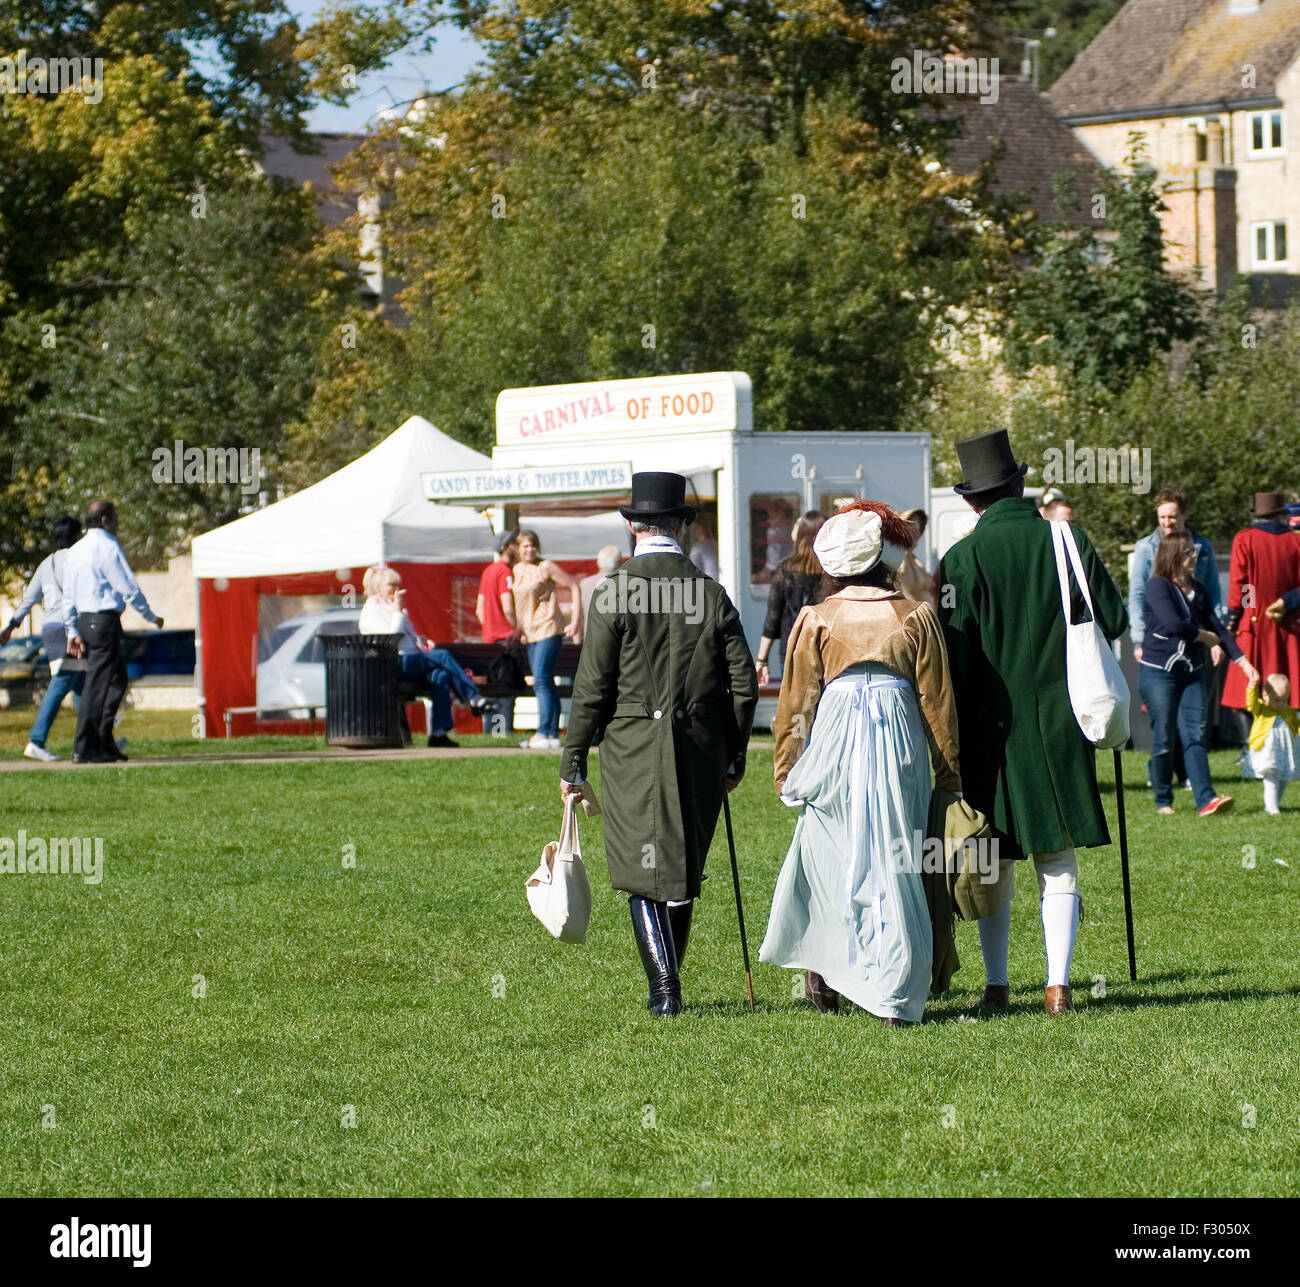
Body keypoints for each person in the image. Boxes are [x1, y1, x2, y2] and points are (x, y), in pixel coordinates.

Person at [938, 430, 1126, 1016]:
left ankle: (997, 987)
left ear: (972, 500)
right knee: (1058, 858)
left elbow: (951, 657)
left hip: (987, 729)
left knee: (992, 860)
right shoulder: (1069, 540)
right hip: (1062, 722)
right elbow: (1114, 620)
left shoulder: (960, 559)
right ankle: (1057, 987)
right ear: (1021, 485)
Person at [560, 472, 757, 1016]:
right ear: (683, 526)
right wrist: (733, 753)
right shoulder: (710, 593)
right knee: (683, 865)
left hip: (631, 749)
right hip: (700, 747)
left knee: (640, 870)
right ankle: (669, 983)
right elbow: (743, 684)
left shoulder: (614, 591)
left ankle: (665, 991)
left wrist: (572, 760)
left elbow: (592, 687)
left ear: (631, 526)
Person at [759, 502, 961, 1026]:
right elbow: (937, 704)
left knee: (832, 854)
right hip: (900, 741)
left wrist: (787, 768)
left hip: (835, 738)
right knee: (897, 856)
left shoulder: (816, 618)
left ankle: (827, 972)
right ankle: (893, 986)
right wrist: (949, 775)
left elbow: (796, 703)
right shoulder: (916, 615)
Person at [1139, 532, 1258, 817]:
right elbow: (1173, 624)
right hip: (1159, 673)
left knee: (1194, 733)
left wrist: (1244, 663)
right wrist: (1204, 637)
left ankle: (1206, 800)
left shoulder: (1199, 588)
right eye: (1190, 552)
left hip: (1192, 672)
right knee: (1165, 737)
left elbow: (1218, 628)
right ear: (1174, 554)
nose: (1195, 556)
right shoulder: (1157, 586)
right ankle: (1162, 798)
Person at [64, 500, 163, 764]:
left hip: (86, 621)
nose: (118, 523)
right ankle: (85, 746)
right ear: (105, 520)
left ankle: (104, 740)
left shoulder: (75, 550)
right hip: (103, 622)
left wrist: (72, 628)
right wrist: (151, 616)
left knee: (117, 680)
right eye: (115, 518)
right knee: (98, 686)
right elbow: (127, 587)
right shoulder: (106, 545)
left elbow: (68, 594)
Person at [359, 565, 490, 748]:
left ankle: (438, 734)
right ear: (379, 588)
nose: (397, 590)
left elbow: (408, 637)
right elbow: (391, 640)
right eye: (392, 585)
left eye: (398, 585)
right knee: (443, 656)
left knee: (441, 676)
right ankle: (472, 696)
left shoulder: (395, 608)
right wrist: (398, 612)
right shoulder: (371, 610)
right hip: (393, 663)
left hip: (410, 660)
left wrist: (422, 640)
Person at [1, 516, 84, 761]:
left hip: (50, 628)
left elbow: (28, 599)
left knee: (82, 684)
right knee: (61, 683)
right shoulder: (78, 560)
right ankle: (36, 740)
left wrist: (11, 626)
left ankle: (93, 740)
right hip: (68, 629)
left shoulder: (45, 564)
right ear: (77, 535)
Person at [1222, 492, 1300, 714]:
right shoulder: (1296, 541)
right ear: (1281, 515)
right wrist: (1287, 602)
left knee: (1245, 693)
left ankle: (1251, 744)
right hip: (1290, 625)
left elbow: (1243, 585)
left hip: (1254, 624)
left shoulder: (1245, 539)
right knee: (1290, 691)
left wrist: (1238, 614)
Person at [1129, 488, 1222, 662]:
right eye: (1162, 517)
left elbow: (1213, 592)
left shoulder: (1203, 546)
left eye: (1172, 517)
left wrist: (1215, 636)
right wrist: (1138, 639)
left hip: (1198, 638)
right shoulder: (1146, 547)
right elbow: (1137, 595)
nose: (1167, 523)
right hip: (1159, 639)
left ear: (1184, 514)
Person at [513, 530, 583, 750]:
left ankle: (543, 731)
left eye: (532, 545)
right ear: (518, 549)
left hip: (548, 627)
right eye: (525, 546)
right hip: (530, 632)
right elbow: (520, 604)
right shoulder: (517, 570)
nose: (529, 549)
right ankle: (552, 733)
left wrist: (575, 621)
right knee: (543, 680)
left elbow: (573, 585)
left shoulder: (546, 567)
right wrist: (519, 629)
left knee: (541, 679)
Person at [755, 511, 824, 685]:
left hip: (790, 650)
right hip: (824, 650)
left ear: (800, 536)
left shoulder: (785, 570)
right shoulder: (831, 571)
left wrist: (762, 660)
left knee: (794, 707)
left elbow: (772, 617)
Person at [475, 530, 521, 737]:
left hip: (489, 641)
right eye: (513, 543)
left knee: (493, 691)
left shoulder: (488, 571)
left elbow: (479, 609)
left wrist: (490, 628)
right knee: (506, 692)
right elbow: (508, 607)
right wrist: (518, 629)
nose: (517, 547)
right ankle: (501, 733)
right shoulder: (505, 572)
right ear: (505, 548)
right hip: (507, 640)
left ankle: (492, 732)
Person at [1244, 673, 1300, 814]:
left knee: (1283, 779)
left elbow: (1296, 725)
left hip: (1284, 752)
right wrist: (1251, 688)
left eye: (1284, 700)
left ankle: (1275, 803)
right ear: (1265, 695)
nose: (1281, 704)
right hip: (1267, 752)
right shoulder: (1262, 709)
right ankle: (1271, 807)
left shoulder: (1289, 711)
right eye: (1277, 700)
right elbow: (1251, 703)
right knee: (1271, 777)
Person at [578, 545, 623, 637]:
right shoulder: (627, 583)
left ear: (598, 562)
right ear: (620, 563)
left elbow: (580, 616)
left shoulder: (584, 584)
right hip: (619, 639)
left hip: (591, 638)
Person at [896, 507, 938, 608]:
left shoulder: (913, 559)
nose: (917, 534)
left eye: (918, 530)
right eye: (912, 529)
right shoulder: (898, 559)